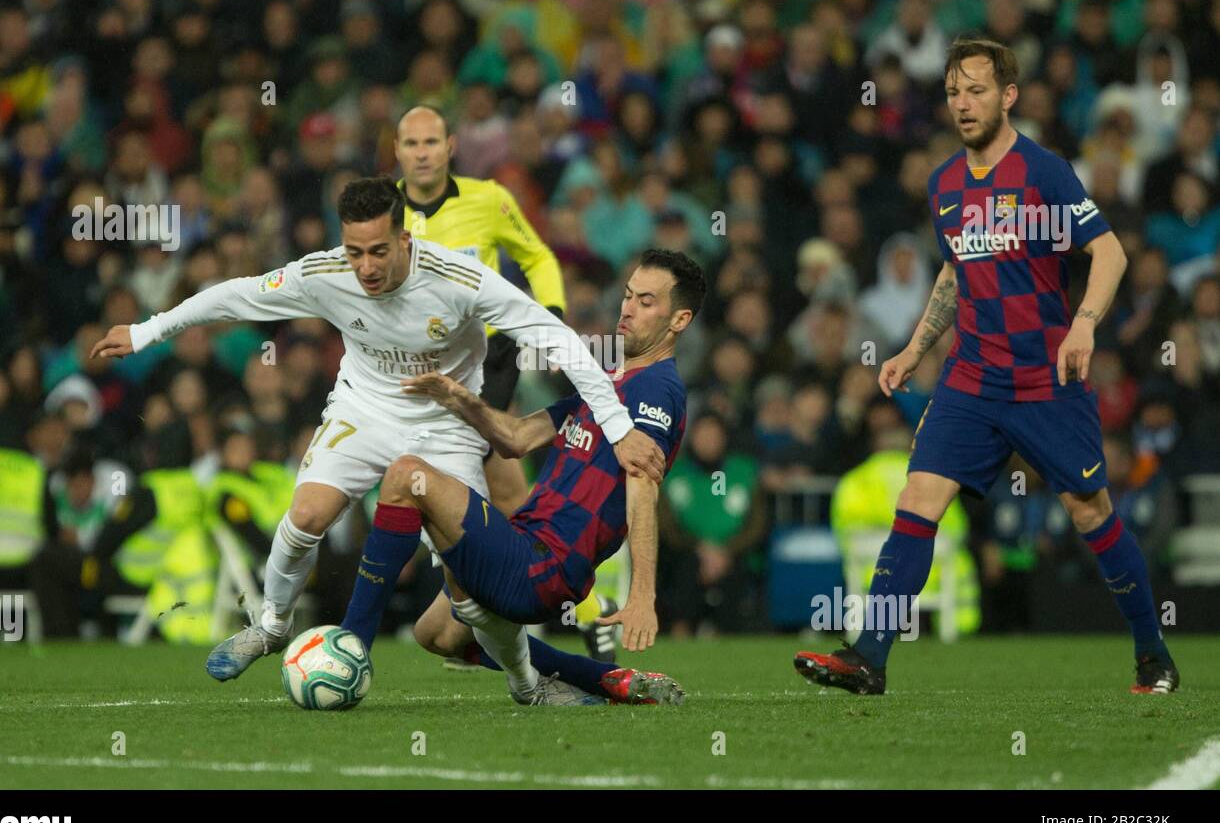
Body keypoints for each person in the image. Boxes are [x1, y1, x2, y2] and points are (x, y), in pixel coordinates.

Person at [88, 177, 666, 686]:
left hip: (446, 429)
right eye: (355, 250)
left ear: (405, 240)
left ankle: (525, 681)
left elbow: (553, 335)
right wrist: (146, 332)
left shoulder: (459, 279)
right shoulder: (325, 273)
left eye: (379, 251)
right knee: (306, 517)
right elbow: (237, 295)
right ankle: (270, 627)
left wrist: (617, 428)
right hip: (364, 412)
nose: (365, 266)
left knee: (469, 593)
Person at [795, 38, 1179, 695]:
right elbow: (955, 271)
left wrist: (1083, 324)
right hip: (971, 378)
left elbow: (1109, 254)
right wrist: (916, 349)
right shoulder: (943, 183)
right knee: (917, 500)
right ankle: (868, 657)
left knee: (1090, 511)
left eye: (975, 89)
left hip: (1044, 380)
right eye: (952, 92)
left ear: (1008, 96)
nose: (962, 103)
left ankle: (1153, 655)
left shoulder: (1043, 171)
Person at [351, 249, 704, 705]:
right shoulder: (605, 382)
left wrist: (642, 595)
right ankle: (605, 680)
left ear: (679, 321)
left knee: (405, 476)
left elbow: (642, 484)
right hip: (525, 541)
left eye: (647, 301)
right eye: (628, 295)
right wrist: (457, 397)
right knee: (436, 633)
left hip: (547, 562)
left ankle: (352, 645)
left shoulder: (657, 388)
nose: (628, 308)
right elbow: (516, 438)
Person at [394, 105, 622, 659]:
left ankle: (517, 614)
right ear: (397, 151)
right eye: (410, 143)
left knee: (487, 484)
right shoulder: (382, 210)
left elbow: (537, 255)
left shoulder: (489, 198)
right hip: (414, 366)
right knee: (492, 491)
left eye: (431, 141)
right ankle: (575, 611)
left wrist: (549, 316)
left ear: (451, 146)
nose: (422, 152)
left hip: (487, 357)